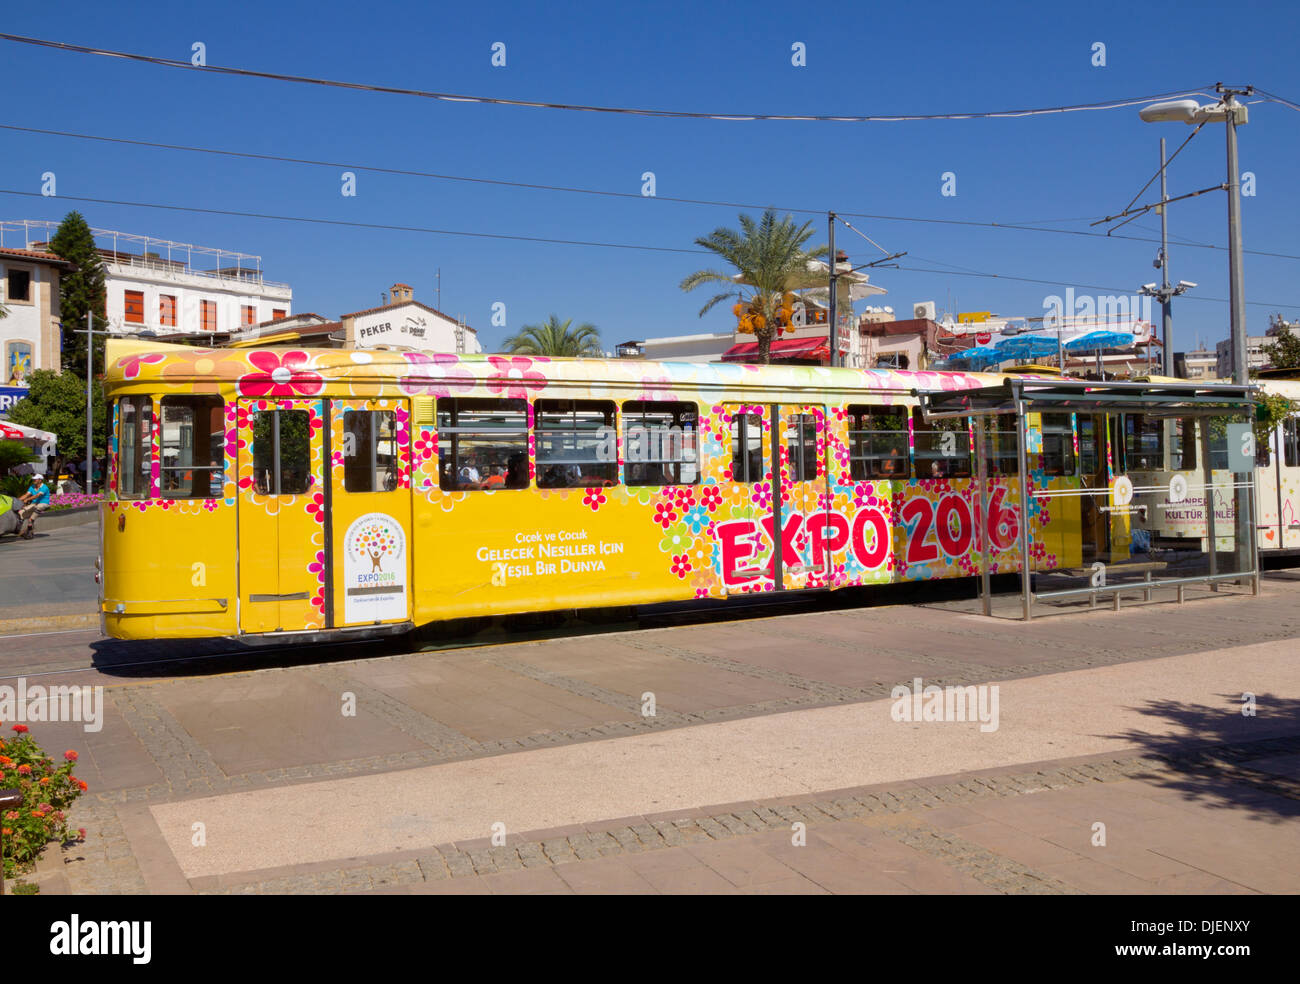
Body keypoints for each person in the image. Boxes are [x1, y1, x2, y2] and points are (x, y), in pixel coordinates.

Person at [17, 474, 51, 540]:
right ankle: (21, 530)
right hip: (34, 504)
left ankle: (29, 532)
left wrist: (27, 499)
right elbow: (26, 495)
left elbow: (37, 495)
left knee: (35, 512)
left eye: (35, 479)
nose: (34, 480)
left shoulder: (44, 487)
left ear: (40, 480)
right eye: (34, 479)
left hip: (44, 503)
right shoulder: (32, 487)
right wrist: (16, 500)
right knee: (21, 513)